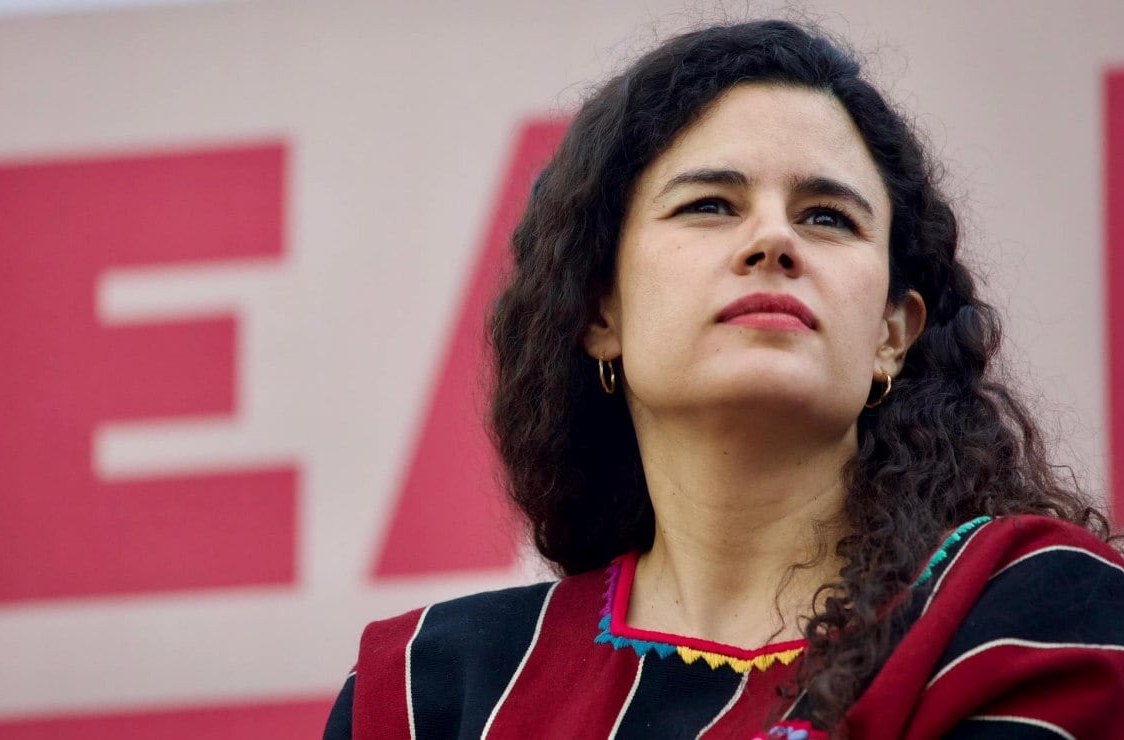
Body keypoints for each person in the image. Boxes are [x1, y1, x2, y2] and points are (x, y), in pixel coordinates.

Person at [324, 19, 1124, 739]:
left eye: (826, 217)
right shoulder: (426, 692)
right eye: (708, 204)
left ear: (891, 335)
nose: (773, 239)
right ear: (599, 312)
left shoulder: (1031, 612)